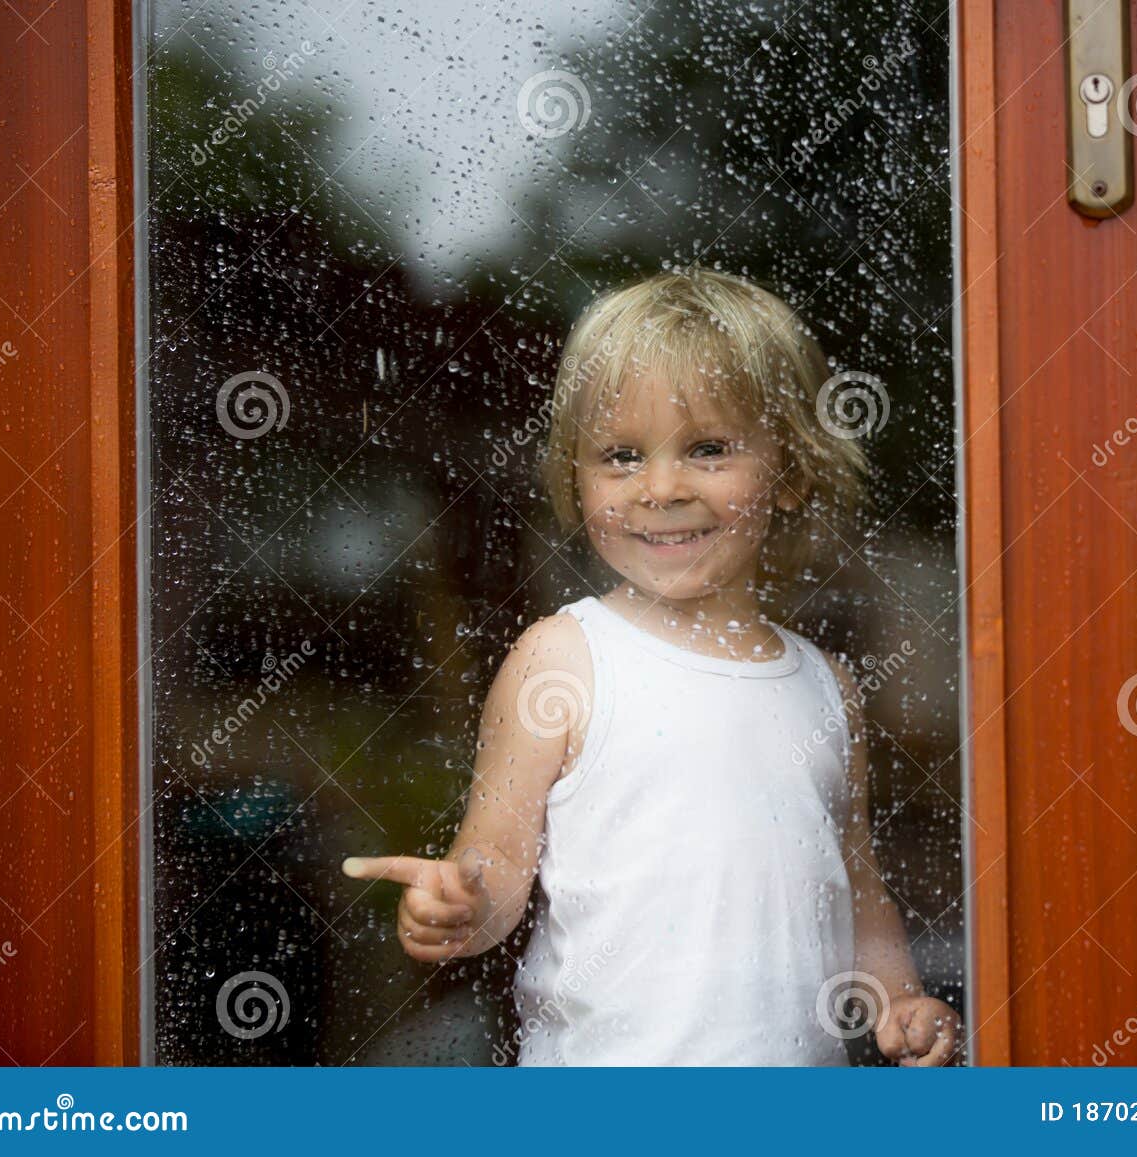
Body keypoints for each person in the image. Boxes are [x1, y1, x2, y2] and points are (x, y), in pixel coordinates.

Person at [342, 266, 961, 1066]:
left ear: (795, 471)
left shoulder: (826, 686)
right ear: (576, 474)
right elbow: (496, 859)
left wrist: (898, 996)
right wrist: (461, 902)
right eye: (622, 455)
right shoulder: (561, 658)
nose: (660, 488)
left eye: (707, 449)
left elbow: (854, 876)